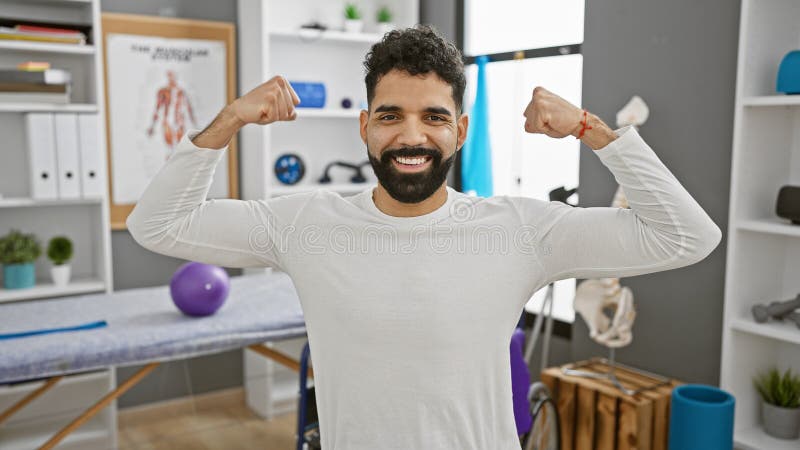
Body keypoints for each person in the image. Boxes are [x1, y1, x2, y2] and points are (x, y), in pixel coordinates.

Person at [126, 25, 721, 450]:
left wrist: (593, 131)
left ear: (460, 130)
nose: (412, 136)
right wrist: (228, 119)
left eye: (434, 117)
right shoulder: (303, 223)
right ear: (365, 127)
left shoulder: (521, 230)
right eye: (390, 116)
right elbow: (157, 224)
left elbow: (686, 237)